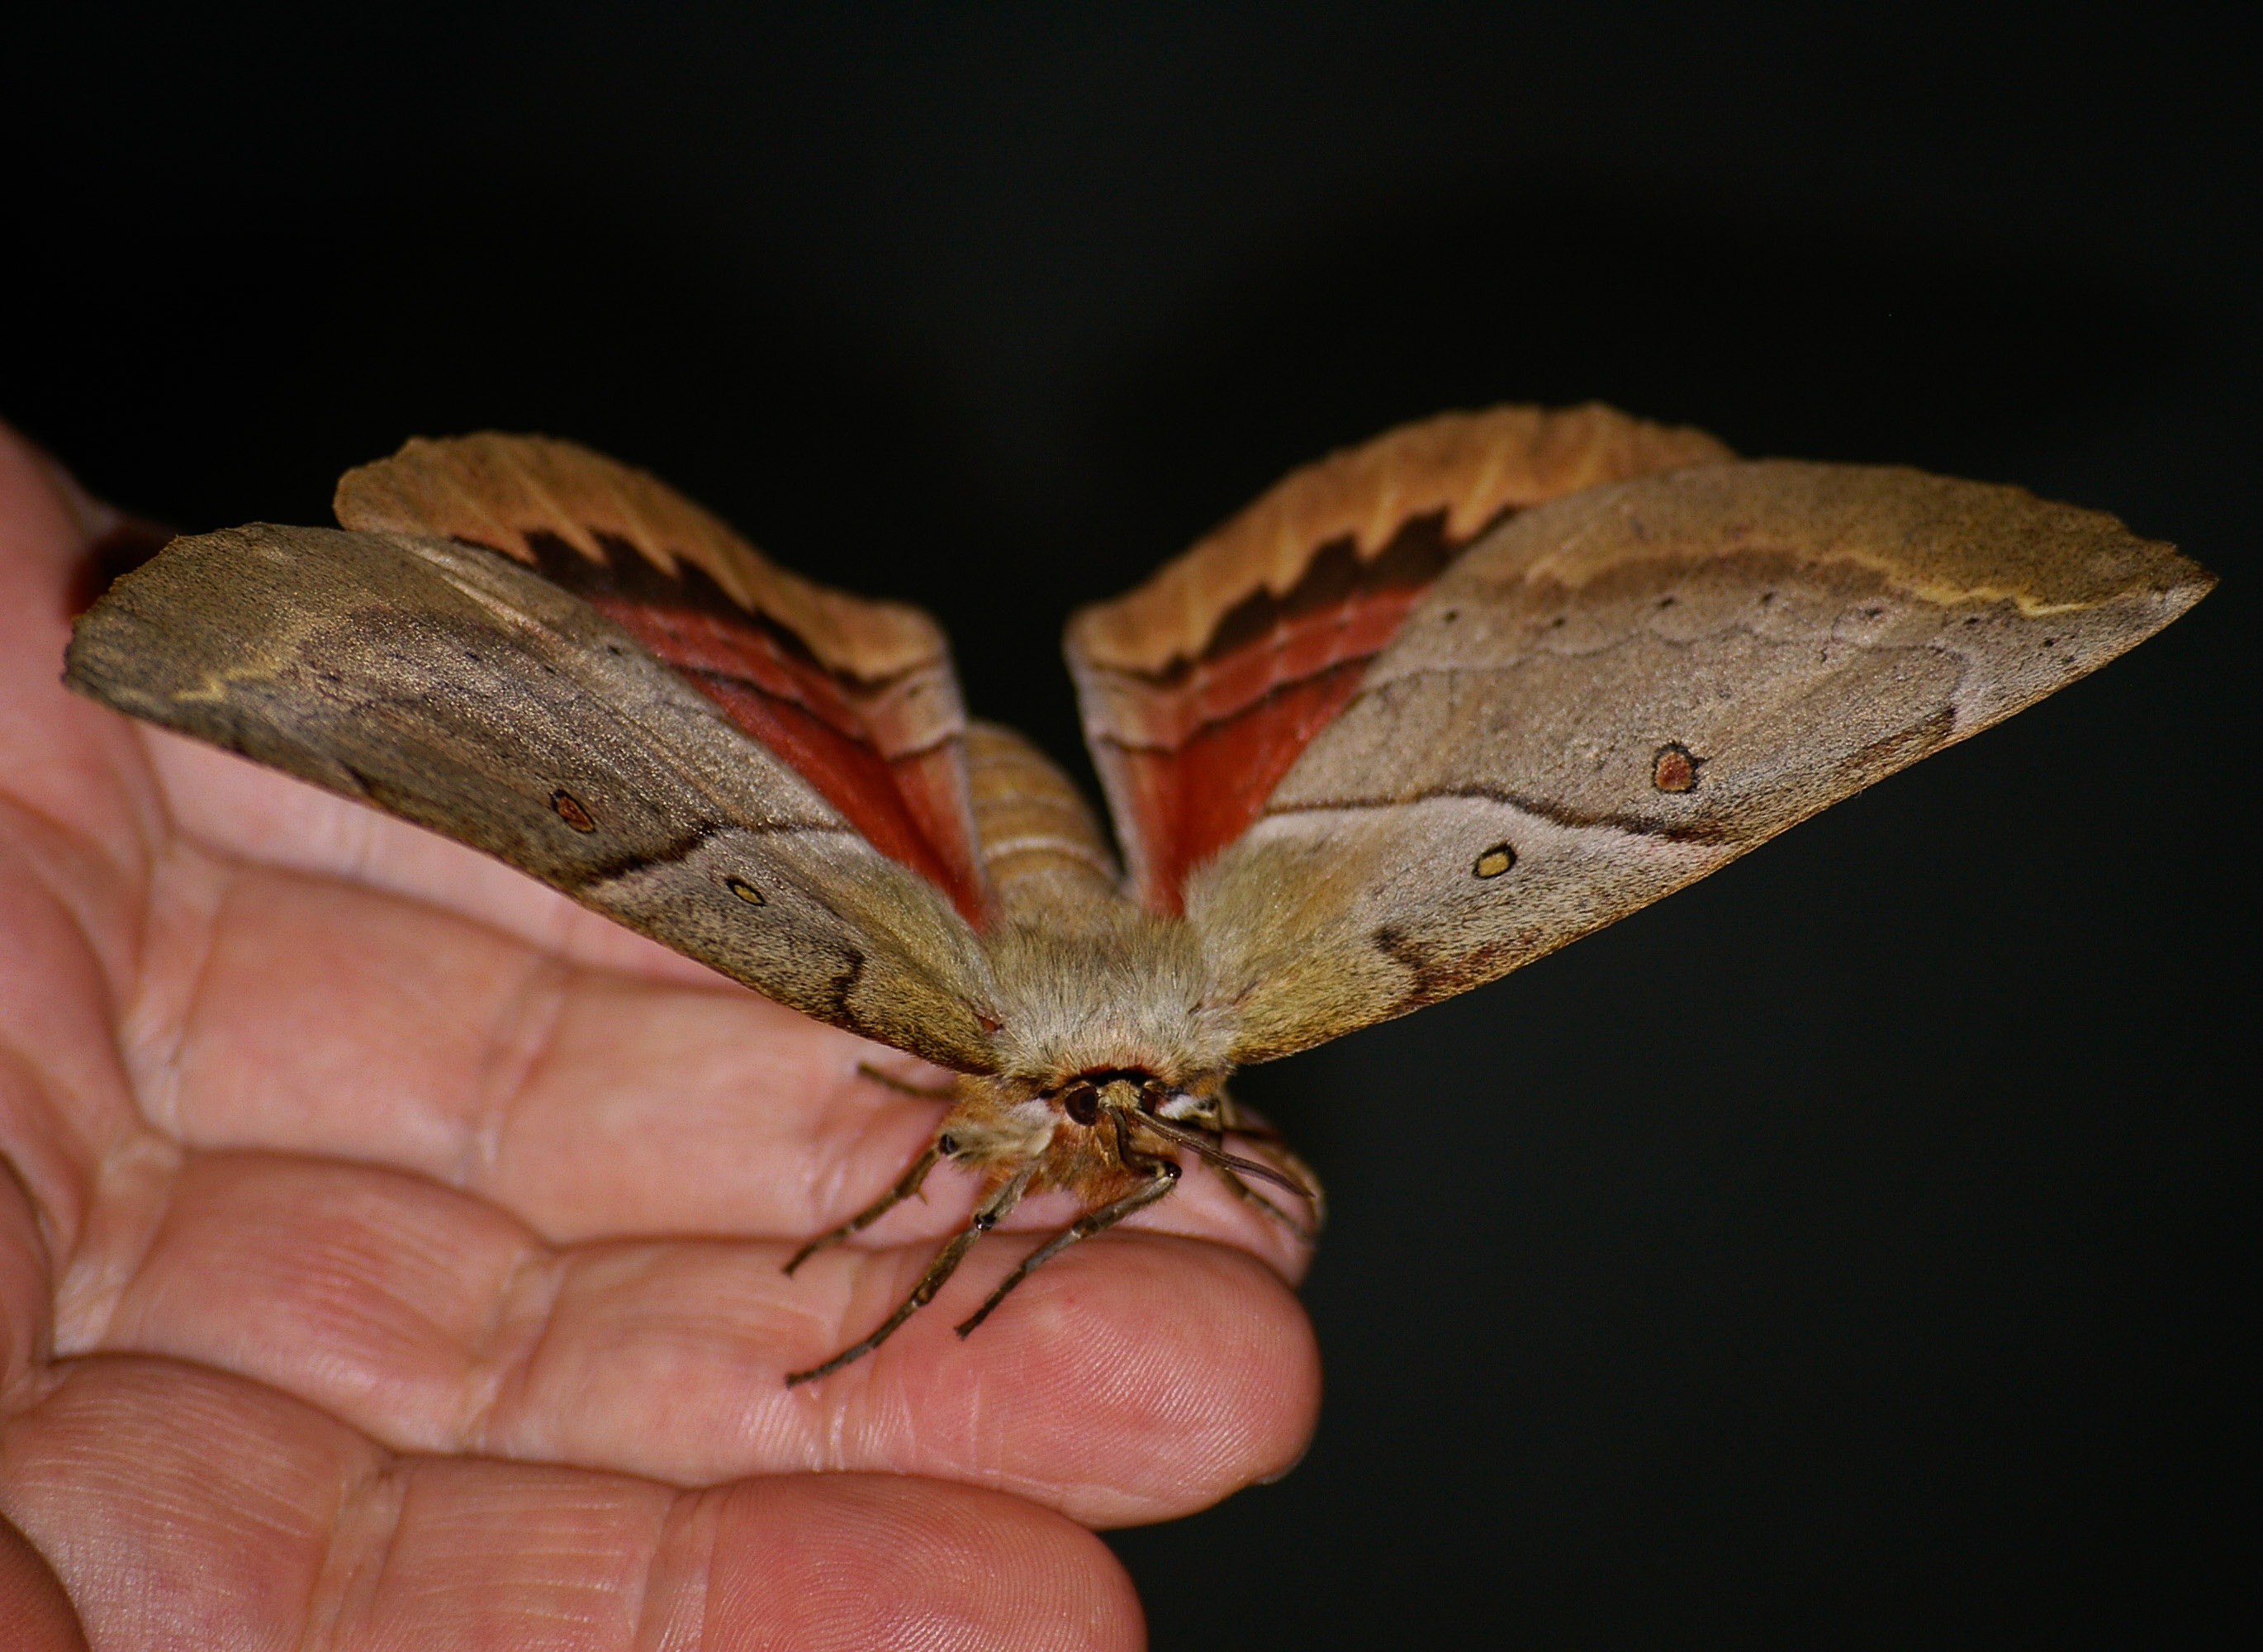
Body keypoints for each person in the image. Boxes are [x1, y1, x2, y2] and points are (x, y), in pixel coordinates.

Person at [0, 420, 1319, 1650]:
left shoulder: (1117, 1067)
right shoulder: (1053, 1055)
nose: (1100, 1145)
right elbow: (992, 1156)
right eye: (1111, 1115)